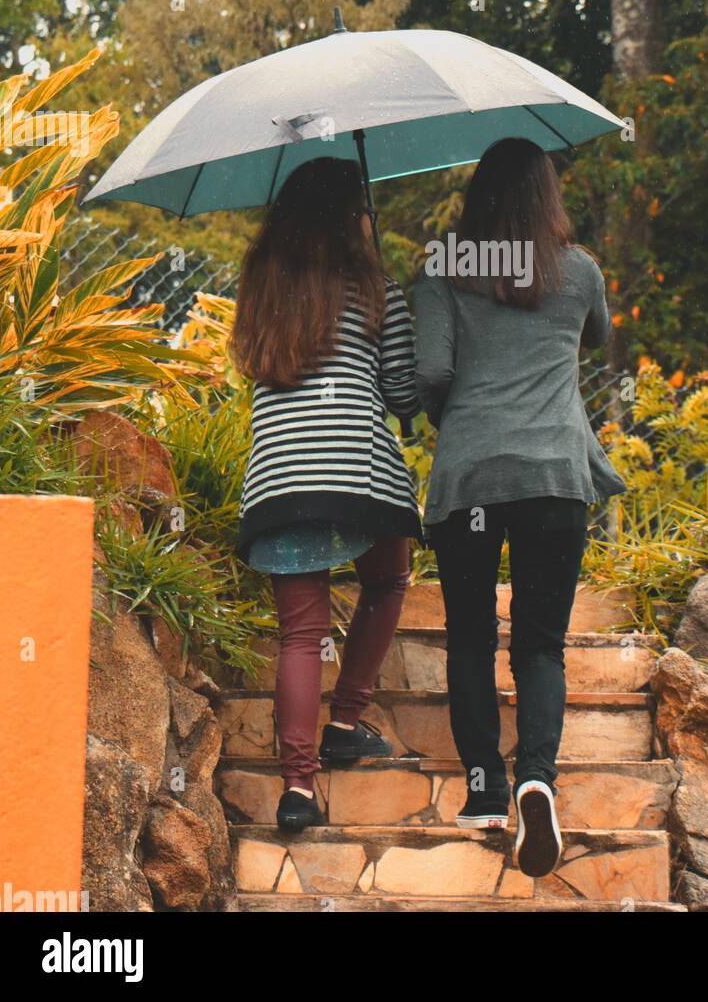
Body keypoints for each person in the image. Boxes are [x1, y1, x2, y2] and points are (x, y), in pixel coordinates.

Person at [413, 137, 625, 878]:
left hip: (470, 476)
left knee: (469, 637)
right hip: (554, 478)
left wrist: (455, 411)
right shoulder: (580, 273)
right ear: (549, 198)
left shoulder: (444, 269)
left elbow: (430, 370)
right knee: (538, 644)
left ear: (478, 197)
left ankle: (483, 790)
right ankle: (536, 775)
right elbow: (595, 338)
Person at [232, 158, 421, 834]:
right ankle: (346, 719)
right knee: (389, 576)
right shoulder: (374, 290)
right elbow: (403, 392)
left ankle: (297, 789)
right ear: (350, 220)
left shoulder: (260, 294)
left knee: (301, 634)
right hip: (355, 473)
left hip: (279, 478)